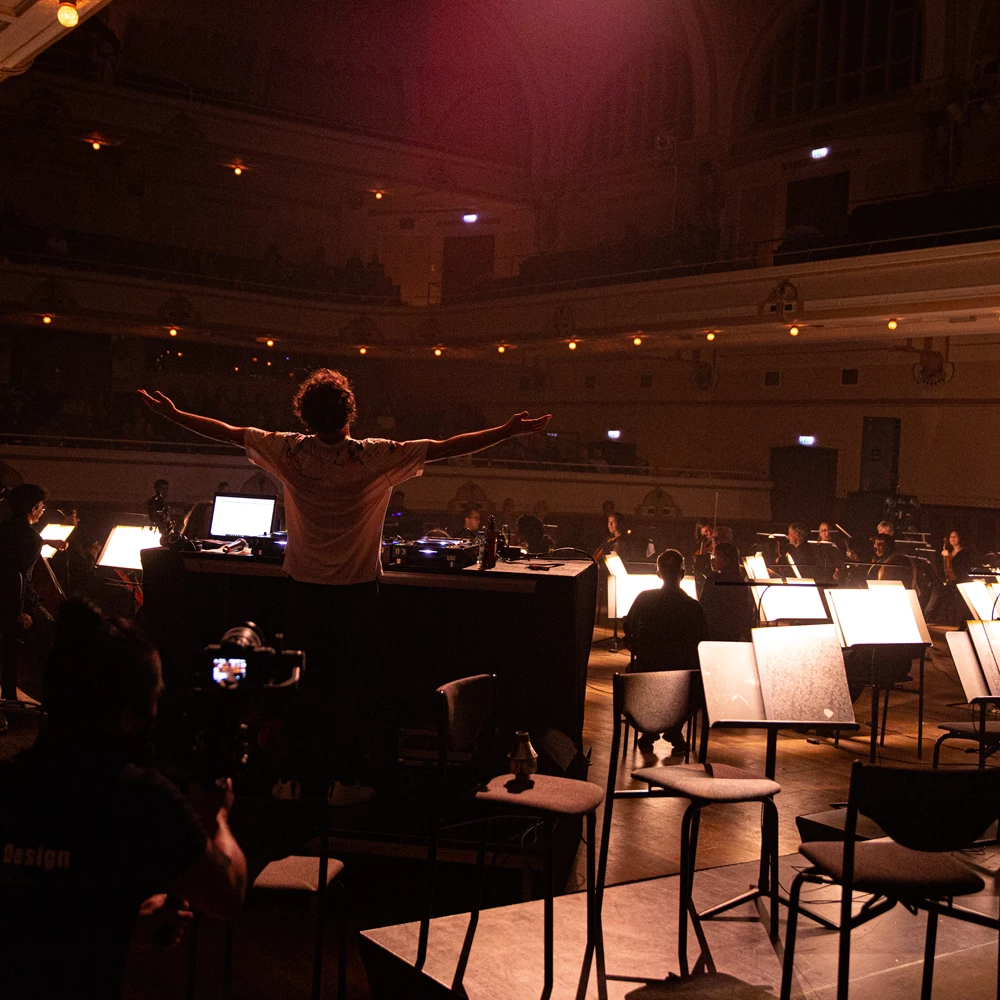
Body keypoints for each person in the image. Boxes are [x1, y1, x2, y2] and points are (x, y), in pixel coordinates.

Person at [137, 373, 551, 786]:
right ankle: (344, 782)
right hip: (356, 592)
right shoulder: (376, 456)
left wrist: (174, 415)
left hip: (301, 589)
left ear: (306, 417)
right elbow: (447, 448)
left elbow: (227, 433)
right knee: (351, 688)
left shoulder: (289, 450)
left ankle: (296, 779)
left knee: (302, 687)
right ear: (350, 411)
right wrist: (508, 430)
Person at [0, 600, 247, 998]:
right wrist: (216, 817)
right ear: (129, 718)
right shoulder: (141, 799)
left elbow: (37, 915)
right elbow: (227, 892)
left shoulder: (8, 785)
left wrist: (118, 924)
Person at [623, 549, 709, 751]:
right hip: (681, 673)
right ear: (683, 573)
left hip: (646, 668)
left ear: (658, 573)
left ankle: (649, 729)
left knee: (630, 673)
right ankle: (675, 727)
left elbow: (628, 627)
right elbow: (703, 641)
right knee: (700, 685)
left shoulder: (644, 598)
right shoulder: (693, 606)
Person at [0, 484, 67, 711]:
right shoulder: (32, 539)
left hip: (4, 600)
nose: (43, 510)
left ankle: (10, 693)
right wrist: (23, 611)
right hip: (12, 605)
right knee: (51, 630)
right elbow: (18, 580)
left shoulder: (5, 529)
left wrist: (46, 542)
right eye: (41, 506)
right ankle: (50, 701)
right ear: (33, 508)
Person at [700, 541, 755, 642]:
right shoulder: (740, 579)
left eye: (715, 557)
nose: (711, 561)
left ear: (726, 560)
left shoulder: (713, 579)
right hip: (735, 634)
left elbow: (703, 607)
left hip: (714, 633)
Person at [924, 530, 973, 625]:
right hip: (949, 581)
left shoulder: (964, 552)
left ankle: (928, 614)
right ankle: (929, 615)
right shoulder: (947, 551)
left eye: (955, 536)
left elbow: (962, 569)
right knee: (936, 588)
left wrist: (949, 557)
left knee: (939, 590)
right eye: (951, 537)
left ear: (960, 538)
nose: (953, 539)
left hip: (960, 581)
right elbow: (943, 569)